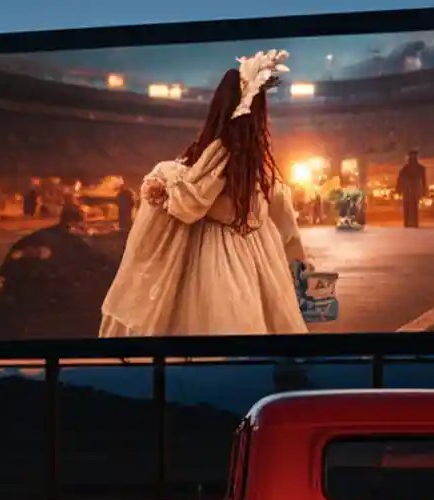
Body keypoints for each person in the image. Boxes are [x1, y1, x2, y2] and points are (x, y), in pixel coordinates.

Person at [99, 50, 310, 337]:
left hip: (188, 275)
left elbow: (171, 213)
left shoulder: (186, 173)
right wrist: (303, 268)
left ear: (216, 109)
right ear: (258, 115)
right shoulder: (261, 179)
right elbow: (289, 237)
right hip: (254, 273)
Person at [397, 150, 428, 228]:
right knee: (412, 206)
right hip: (411, 190)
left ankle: (409, 223)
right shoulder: (419, 168)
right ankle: (411, 223)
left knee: (411, 206)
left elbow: (400, 179)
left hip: (410, 190)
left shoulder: (406, 168)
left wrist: (399, 188)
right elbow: (424, 180)